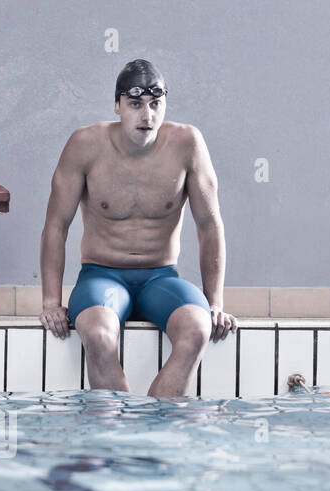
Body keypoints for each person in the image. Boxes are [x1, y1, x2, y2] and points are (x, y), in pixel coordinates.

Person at [39, 58, 237, 396]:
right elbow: (56, 225)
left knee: (198, 329)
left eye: (155, 104)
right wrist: (50, 302)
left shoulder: (187, 144)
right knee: (99, 337)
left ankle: (152, 429)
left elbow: (209, 225)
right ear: (117, 106)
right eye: (135, 105)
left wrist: (215, 301)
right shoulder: (85, 145)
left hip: (161, 278)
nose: (147, 115)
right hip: (101, 277)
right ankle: (120, 435)